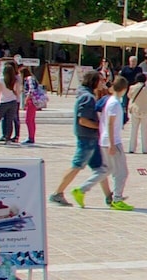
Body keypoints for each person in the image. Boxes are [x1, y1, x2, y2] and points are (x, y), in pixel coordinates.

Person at [51, 70, 113, 208]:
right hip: (87, 138)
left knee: (101, 168)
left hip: (92, 137)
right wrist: (100, 126)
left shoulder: (87, 95)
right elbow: (83, 120)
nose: (103, 83)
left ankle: (109, 196)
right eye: (101, 80)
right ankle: (58, 193)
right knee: (77, 165)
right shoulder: (87, 97)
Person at [99, 77, 135, 211]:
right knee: (121, 172)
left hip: (106, 139)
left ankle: (84, 189)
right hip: (113, 140)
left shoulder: (110, 100)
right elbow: (110, 123)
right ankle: (117, 198)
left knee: (108, 170)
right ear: (125, 89)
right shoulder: (115, 103)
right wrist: (112, 144)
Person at [127, 73, 147, 155]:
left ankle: (131, 148)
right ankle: (145, 149)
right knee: (144, 131)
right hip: (145, 110)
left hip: (135, 110)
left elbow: (129, 96)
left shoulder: (132, 87)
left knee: (134, 130)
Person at [0, 66, 23, 143]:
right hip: (13, 102)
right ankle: (8, 138)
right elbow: (17, 92)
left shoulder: (1, 79)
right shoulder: (15, 80)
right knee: (9, 121)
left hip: (3, 101)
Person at [20, 66, 41, 145]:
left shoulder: (29, 79)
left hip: (31, 101)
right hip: (33, 101)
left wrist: (26, 99)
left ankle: (31, 137)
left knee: (29, 120)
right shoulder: (32, 78)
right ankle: (31, 136)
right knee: (31, 120)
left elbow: (31, 90)